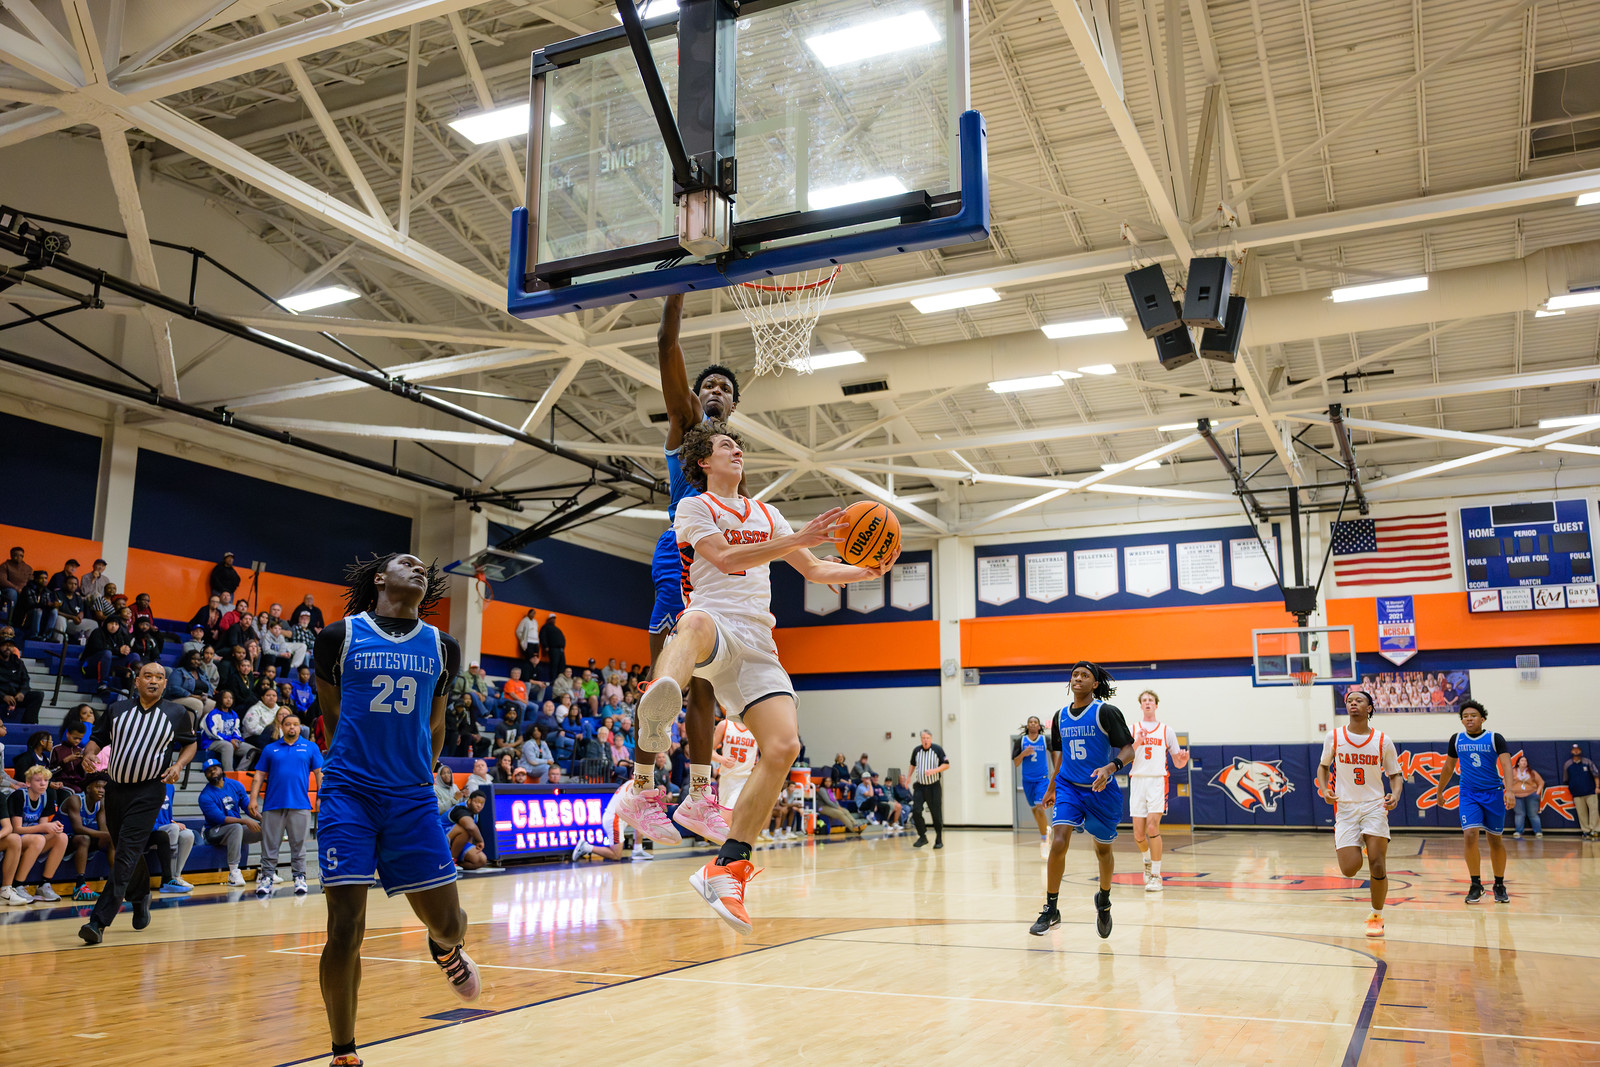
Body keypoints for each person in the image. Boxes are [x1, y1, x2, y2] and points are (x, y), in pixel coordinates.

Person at [637, 421, 891, 933]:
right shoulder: (694, 508)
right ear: (703, 461)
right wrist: (796, 538)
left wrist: (864, 572)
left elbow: (814, 569)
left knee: (783, 747)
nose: (736, 450)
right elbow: (724, 557)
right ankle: (659, 707)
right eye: (725, 445)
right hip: (714, 623)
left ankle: (726, 869)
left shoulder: (768, 513)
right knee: (693, 622)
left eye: (738, 445)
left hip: (758, 643)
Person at [314, 552, 477, 1067]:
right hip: (350, 794)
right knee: (344, 926)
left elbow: (435, 725)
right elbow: (333, 715)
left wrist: (414, 774)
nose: (418, 566)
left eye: (422, 566)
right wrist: (359, 764)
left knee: (449, 925)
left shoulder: (443, 646)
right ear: (380, 578)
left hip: (411, 797)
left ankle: (445, 949)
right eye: (406, 562)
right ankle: (344, 1052)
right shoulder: (339, 636)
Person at [626, 293, 740, 853]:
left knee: (707, 688)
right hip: (681, 557)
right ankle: (640, 788)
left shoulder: (730, 455)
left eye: (725, 388)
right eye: (708, 385)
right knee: (667, 686)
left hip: (715, 568)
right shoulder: (688, 423)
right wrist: (678, 289)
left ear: (735, 405)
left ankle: (698, 795)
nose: (715, 391)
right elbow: (665, 344)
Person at [76, 660, 199, 944]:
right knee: (125, 849)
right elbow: (97, 738)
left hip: (149, 791)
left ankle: (98, 922)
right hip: (115, 790)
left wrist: (179, 764)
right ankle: (141, 895)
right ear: (137, 681)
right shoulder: (117, 709)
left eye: (159, 677)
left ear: (165, 684)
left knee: (126, 853)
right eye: (148, 676)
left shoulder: (177, 712)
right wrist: (89, 753)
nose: (153, 680)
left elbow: (190, 743)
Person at [1029, 661, 1134, 940]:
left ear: (1095, 683)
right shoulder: (1060, 716)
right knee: (1059, 840)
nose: (1078, 678)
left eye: (1084, 675)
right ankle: (1051, 909)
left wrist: (1110, 767)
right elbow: (1062, 757)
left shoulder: (1105, 712)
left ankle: (1104, 900)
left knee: (1103, 852)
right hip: (1069, 788)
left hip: (1101, 790)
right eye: (1074, 674)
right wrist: (1052, 787)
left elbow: (1129, 750)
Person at [1315, 689, 1402, 938]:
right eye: (1350, 701)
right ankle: (1359, 843)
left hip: (1374, 806)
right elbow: (1323, 767)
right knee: (1349, 869)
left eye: (1359, 700)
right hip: (1345, 808)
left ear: (1369, 708)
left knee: (1377, 863)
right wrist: (1325, 789)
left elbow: (1395, 774)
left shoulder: (1382, 740)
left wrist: (1395, 795)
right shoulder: (1334, 737)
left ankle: (1376, 916)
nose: (1353, 703)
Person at [1438, 700, 1514, 904]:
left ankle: (1499, 884)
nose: (1469, 719)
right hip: (1469, 794)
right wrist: (1439, 790)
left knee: (1495, 840)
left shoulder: (1495, 738)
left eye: (1473, 716)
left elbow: (1506, 765)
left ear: (1482, 719)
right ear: (1461, 720)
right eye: (1465, 716)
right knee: (1470, 834)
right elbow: (1448, 767)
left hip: (1493, 793)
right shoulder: (1456, 739)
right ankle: (1475, 884)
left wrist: (1509, 790)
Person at [250, 712, 323, 896]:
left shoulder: (310, 747)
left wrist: (321, 795)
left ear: (300, 727)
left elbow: (319, 773)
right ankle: (267, 878)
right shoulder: (270, 749)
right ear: (281, 727)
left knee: (298, 845)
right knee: (269, 845)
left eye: (295, 724)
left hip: (300, 804)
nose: (292, 727)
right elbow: (259, 775)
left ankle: (299, 878)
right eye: (288, 724)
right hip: (272, 805)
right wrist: (253, 798)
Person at [1126, 689, 1188, 892]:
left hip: (1157, 781)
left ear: (1156, 705)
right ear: (1140, 705)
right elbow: (1125, 756)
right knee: (1138, 835)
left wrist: (1183, 760)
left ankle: (1156, 875)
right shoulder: (1132, 729)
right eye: (1144, 700)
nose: (1147, 702)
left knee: (1152, 827)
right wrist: (1138, 741)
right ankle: (1146, 860)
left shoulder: (1166, 730)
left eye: (1150, 700)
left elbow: (1178, 763)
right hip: (1138, 781)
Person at [5, 765, 69, 903]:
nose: (43, 783)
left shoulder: (47, 796)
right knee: (38, 839)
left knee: (62, 837)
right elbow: (16, 829)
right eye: (38, 780)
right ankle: (18, 885)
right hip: (15, 839)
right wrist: (45, 827)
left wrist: (53, 827)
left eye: (46, 780)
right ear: (28, 783)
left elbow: (42, 827)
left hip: (34, 837)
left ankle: (44, 884)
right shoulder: (19, 796)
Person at [198, 757, 260, 887]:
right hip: (214, 832)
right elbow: (221, 819)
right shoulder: (205, 796)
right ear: (205, 775)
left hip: (235, 830)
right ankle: (233, 873)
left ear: (221, 769)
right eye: (208, 771)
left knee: (267, 829)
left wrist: (263, 820)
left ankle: (266, 871)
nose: (213, 772)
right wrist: (245, 821)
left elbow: (248, 807)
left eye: (215, 768)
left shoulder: (235, 785)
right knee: (236, 827)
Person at [59, 773, 114, 901]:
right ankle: (80, 886)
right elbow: (78, 828)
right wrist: (107, 834)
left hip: (81, 841)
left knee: (111, 839)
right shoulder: (75, 800)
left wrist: (110, 836)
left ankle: (116, 882)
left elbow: (103, 829)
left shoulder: (100, 804)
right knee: (84, 838)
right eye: (97, 787)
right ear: (88, 788)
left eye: (104, 788)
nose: (101, 790)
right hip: (62, 840)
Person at [572, 785, 650, 863]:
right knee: (616, 855)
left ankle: (638, 850)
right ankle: (585, 847)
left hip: (615, 816)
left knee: (641, 818)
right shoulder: (638, 785)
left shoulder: (634, 783)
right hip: (615, 820)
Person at [1012, 716, 1051, 858]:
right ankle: (1046, 830)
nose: (1033, 724)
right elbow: (1016, 763)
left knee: (1040, 808)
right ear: (1027, 726)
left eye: (1035, 722)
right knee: (1034, 810)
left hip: (1042, 779)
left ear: (1039, 726)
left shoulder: (1045, 740)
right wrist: (1023, 753)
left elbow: (1055, 754)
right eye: (1030, 722)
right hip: (1027, 781)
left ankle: (1044, 840)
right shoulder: (1020, 741)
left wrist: (1056, 775)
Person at [906, 730, 950, 849]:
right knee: (916, 811)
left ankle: (939, 838)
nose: (925, 740)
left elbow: (946, 764)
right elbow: (912, 764)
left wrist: (934, 771)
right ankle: (922, 836)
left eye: (928, 738)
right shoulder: (916, 750)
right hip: (920, 786)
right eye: (923, 738)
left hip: (933, 786)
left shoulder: (937, 749)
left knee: (936, 814)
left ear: (931, 738)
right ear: (921, 739)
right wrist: (908, 777)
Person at [153, 783, 195, 893]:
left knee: (188, 835)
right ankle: (169, 878)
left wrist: (173, 822)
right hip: (151, 830)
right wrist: (172, 825)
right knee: (173, 828)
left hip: (166, 826)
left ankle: (176, 876)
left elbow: (167, 814)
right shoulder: (147, 786)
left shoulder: (170, 787)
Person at [712, 714, 758, 810]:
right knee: (724, 813)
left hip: (746, 779)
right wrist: (722, 759)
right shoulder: (724, 724)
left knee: (731, 811)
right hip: (726, 778)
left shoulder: (758, 728)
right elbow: (709, 751)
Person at [202, 690, 251, 772]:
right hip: (212, 742)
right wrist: (229, 740)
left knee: (251, 750)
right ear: (220, 699)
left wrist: (236, 739)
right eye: (225, 698)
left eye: (231, 698)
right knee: (228, 746)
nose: (229, 700)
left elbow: (236, 730)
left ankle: (240, 772)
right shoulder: (213, 714)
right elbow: (213, 732)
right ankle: (229, 773)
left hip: (230, 741)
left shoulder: (234, 714)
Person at [443, 791, 489, 871]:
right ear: (469, 800)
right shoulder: (460, 809)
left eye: (482, 804)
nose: (479, 805)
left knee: (481, 860)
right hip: (441, 839)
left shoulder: (475, 815)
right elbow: (470, 827)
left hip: (455, 845)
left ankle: (455, 863)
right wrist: (480, 841)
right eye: (476, 802)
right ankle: (449, 863)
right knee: (465, 830)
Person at [0, 638, 43, 723]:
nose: (8, 648)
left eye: (11, 646)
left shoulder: (18, 663)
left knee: (38, 695)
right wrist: (3, 696)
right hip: (1, 696)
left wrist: (22, 692)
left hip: (15, 696)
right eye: (5, 645)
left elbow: (26, 680)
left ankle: (29, 725)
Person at [1562, 745, 1600, 839]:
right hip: (1577, 793)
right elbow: (1566, 779)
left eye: (1577, 749)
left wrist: (1597, 787)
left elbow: (1596, 775)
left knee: (1594, 811)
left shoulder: (1587, 762)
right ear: (1571, 751)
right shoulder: (1567, 764)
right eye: (1574, 750)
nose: (1576, 751)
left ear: (1580, 751)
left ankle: (1595, 830)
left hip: (1590, 791)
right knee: (1581, 813)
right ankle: (1586, 831)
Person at [1509, 755, 1544, 838]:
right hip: (1517, 796)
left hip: (1531, 795)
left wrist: (1537, 792)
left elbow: (1541, 782)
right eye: (1522, 761)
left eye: (1525, 761)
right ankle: (1519, 831)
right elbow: (1505, 781)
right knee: (1519, 814)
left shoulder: (1531, 772)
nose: (1524, 762)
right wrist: (1511, 791)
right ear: (1518, 763)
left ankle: (1538, 831)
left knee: (1533, 814)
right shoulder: (1513, 772)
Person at [539, 614, 566, 682]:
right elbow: (542, 636)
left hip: (560, 650)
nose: (553, 620)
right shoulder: (545, 627)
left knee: (562, 666)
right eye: (552, 618)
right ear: (548, 619)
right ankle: (553, 681)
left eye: (554, 619)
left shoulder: (556, 628)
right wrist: (545, 646)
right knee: (554, 665)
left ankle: (560, 681)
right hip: (553, 649)